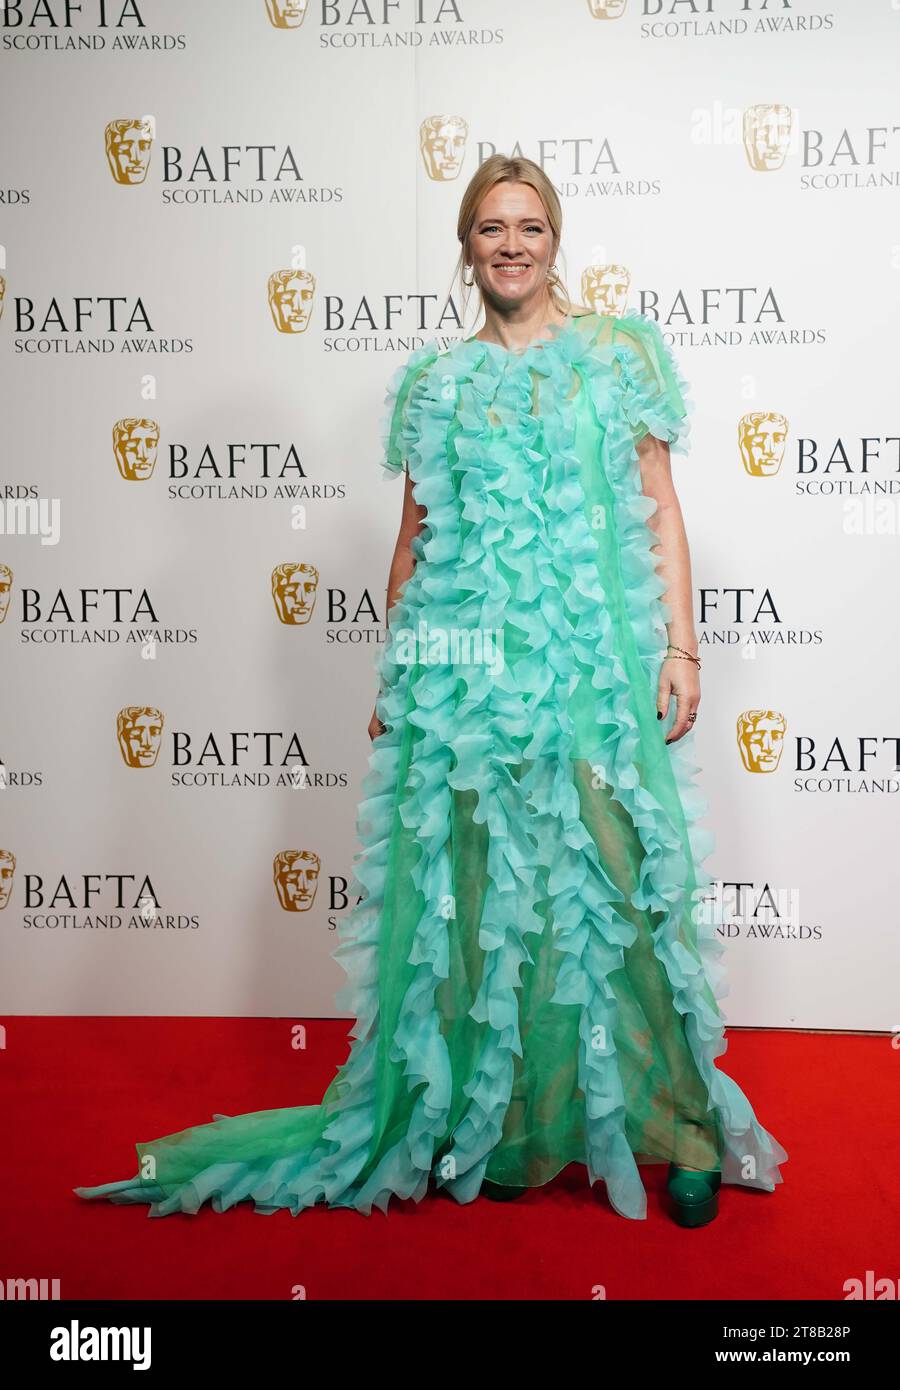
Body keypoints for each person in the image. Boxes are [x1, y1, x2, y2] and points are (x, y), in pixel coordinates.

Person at [74, 154, 787, 1228]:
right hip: (459, 675)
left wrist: (681, 650)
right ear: (468, 245)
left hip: (589, 670)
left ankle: (680, 1126)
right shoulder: (435, 383)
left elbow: (662, 507)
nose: (511, 244)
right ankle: (508, 1120)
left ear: (556, 240)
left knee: (625, 889)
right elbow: (416, 539)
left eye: (530, 226)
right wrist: (396, 670)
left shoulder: (617, 357)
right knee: (480, 903)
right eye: (492, 227)